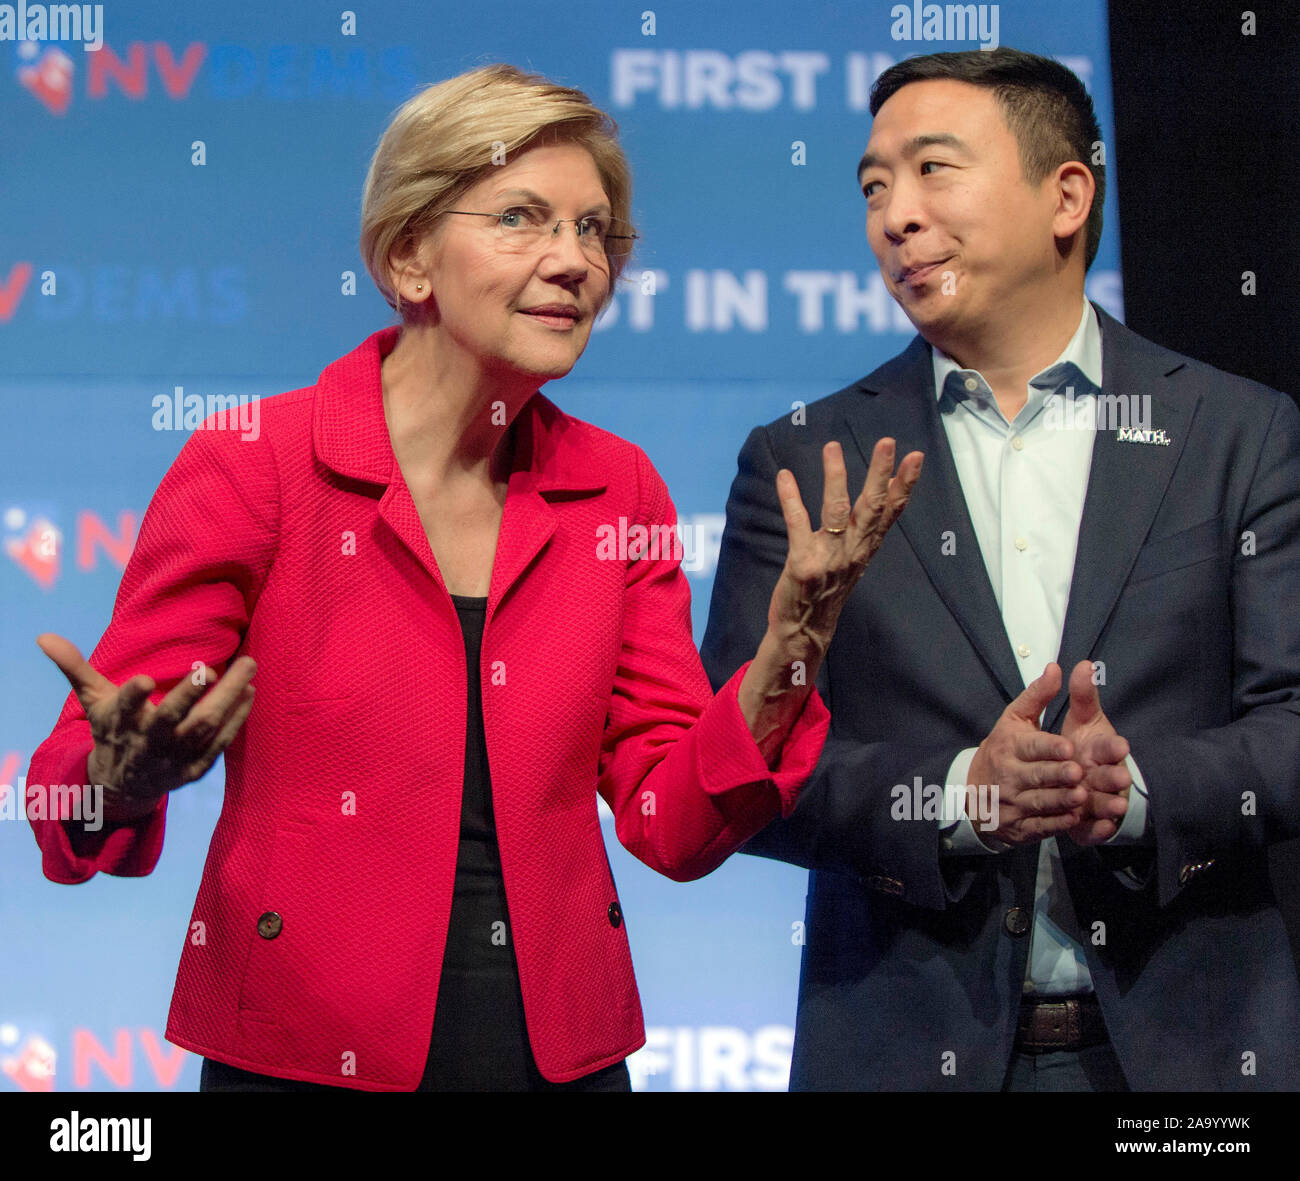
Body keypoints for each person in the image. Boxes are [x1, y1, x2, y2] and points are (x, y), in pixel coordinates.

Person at [26, 64, 921, 1093]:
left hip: (560, 1062)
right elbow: (68, 781)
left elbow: (671, 820)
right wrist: (114, 780)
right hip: (302, 1056)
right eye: (523, 218)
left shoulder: (616, 489)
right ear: (410, 254)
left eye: (597, 231)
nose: (575, 261)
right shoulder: (256, 462)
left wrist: (791, 647)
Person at [701, 47, 1300, 1091]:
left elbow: (1291, 723)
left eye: (933, 169)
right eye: (874, 187)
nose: (894, 215)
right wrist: (958, 795)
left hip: (1189, 1062)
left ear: (1065, 193)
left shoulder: (1234, 431)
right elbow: (736, 774)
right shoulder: (805, 458)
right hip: (897, 1050)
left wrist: (1140, 792)